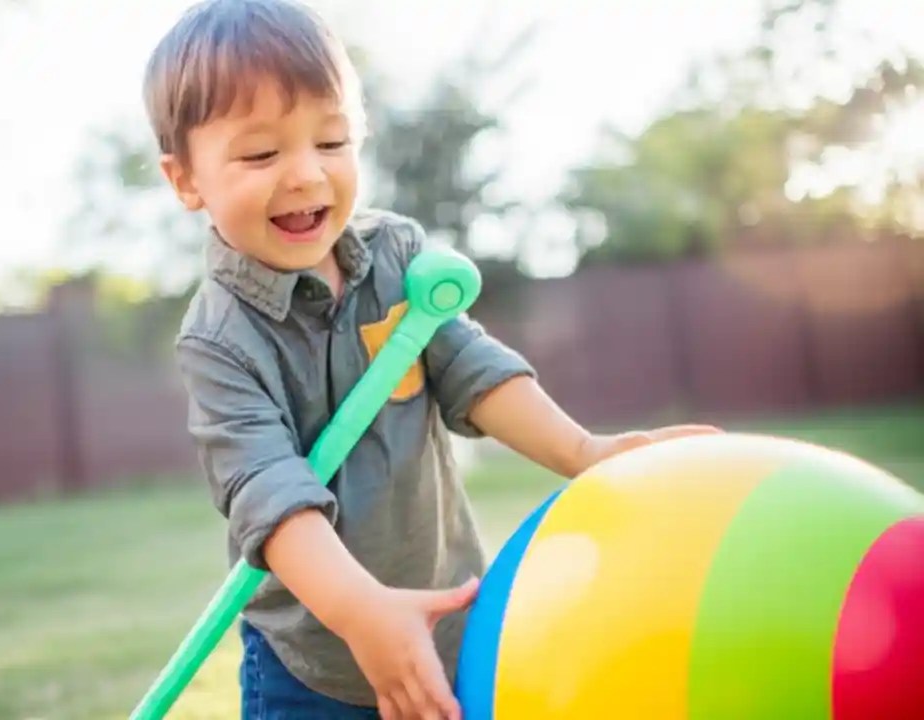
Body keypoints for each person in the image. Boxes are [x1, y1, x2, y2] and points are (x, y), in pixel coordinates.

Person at [142, 1, 719, 717]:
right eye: (262, 154)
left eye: (332, 140)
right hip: (315, 664)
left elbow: (472, 368)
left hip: (448, 622)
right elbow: (268, 491)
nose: (305, 175)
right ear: (186, 180)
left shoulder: (396, 258)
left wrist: (583, 452)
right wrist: (360, 614)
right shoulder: (218, 341)